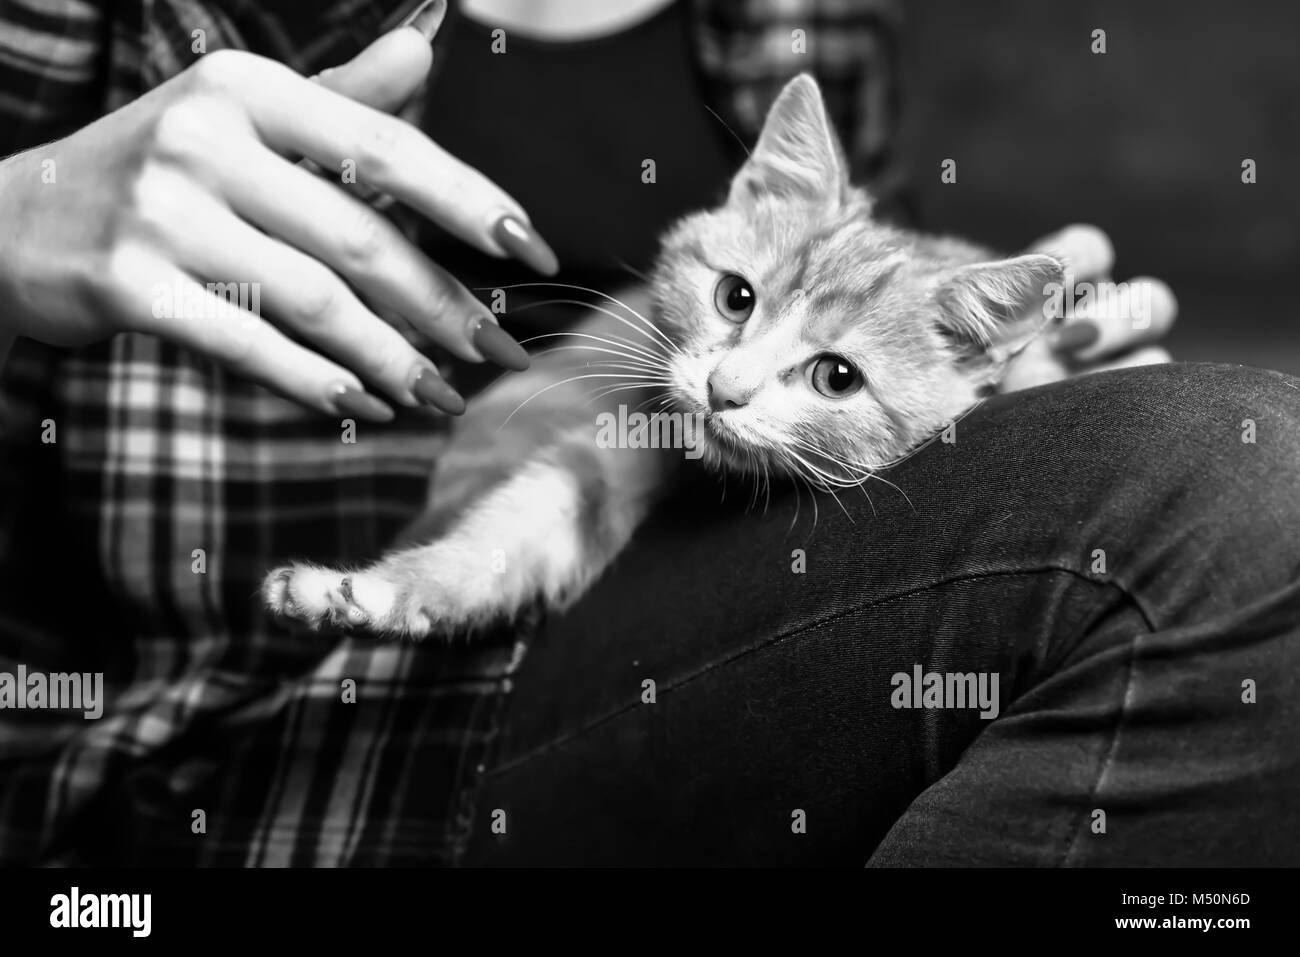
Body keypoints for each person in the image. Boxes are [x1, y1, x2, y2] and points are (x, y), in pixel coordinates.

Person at [0, 0, 1294, 866]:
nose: (729, 378)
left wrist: (1039, 437)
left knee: (1229, 492)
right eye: (725, 299)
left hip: (659, 636)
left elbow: (860, 294)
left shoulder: (796, 21)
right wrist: (14, 218)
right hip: (235, 743)